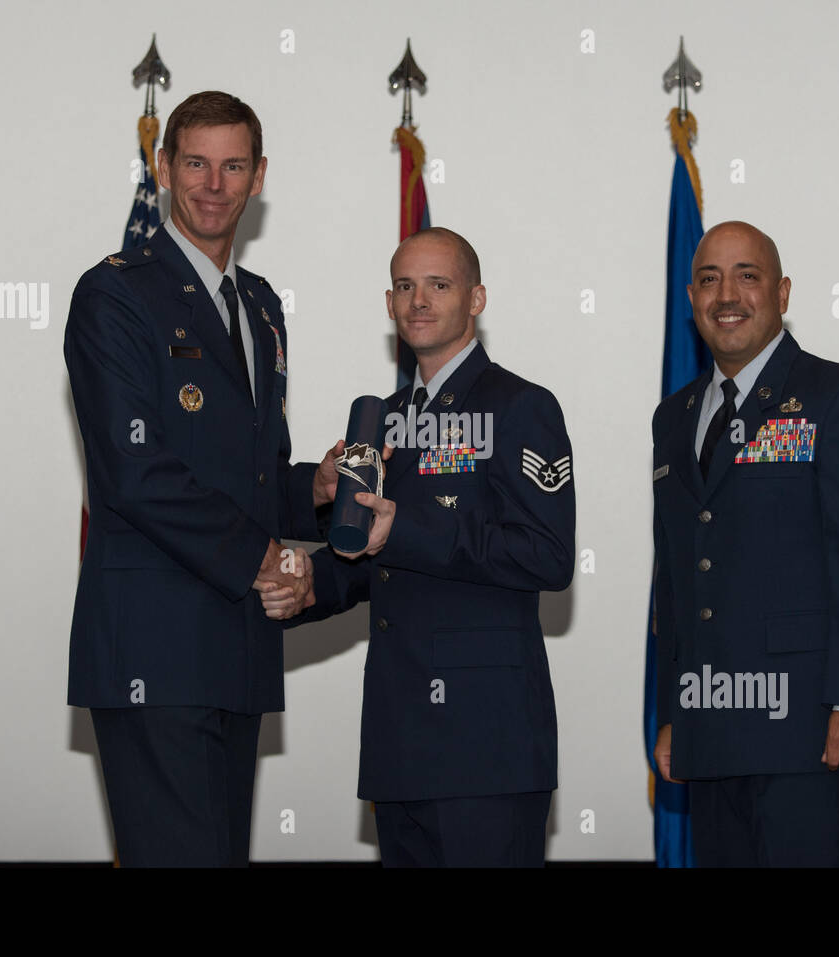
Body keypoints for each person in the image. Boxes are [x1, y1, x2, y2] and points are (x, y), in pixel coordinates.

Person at [64, 90, 339, 867]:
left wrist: (311, 492)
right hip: (155, 648)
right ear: (161, 168)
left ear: (258, 178)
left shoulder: (260, 305)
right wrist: (267, 559)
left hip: (239, 647)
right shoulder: (115, 292)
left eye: (233, 166)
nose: (214, 185)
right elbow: (134, 473)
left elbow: (250, 478)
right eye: (195, 163)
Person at [261, 227, 575, 867]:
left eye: (439, 284)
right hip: (399, 738)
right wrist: (311, 584)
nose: (418, 301)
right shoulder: (386, 420)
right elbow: (376, 557)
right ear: (388, 302)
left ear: (477, 299)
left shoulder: (522, 406)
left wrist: (403, 525)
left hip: (485, 746)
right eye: (405, 286)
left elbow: (546, 555)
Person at [650, 221, 839, 867]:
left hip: (812, 735)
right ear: (691, 297)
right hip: (713, 731)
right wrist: (678, 710)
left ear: (783, 292)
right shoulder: (675, 416)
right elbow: (680, 580)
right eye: (709, 278)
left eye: (748, 275)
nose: (726, 293)